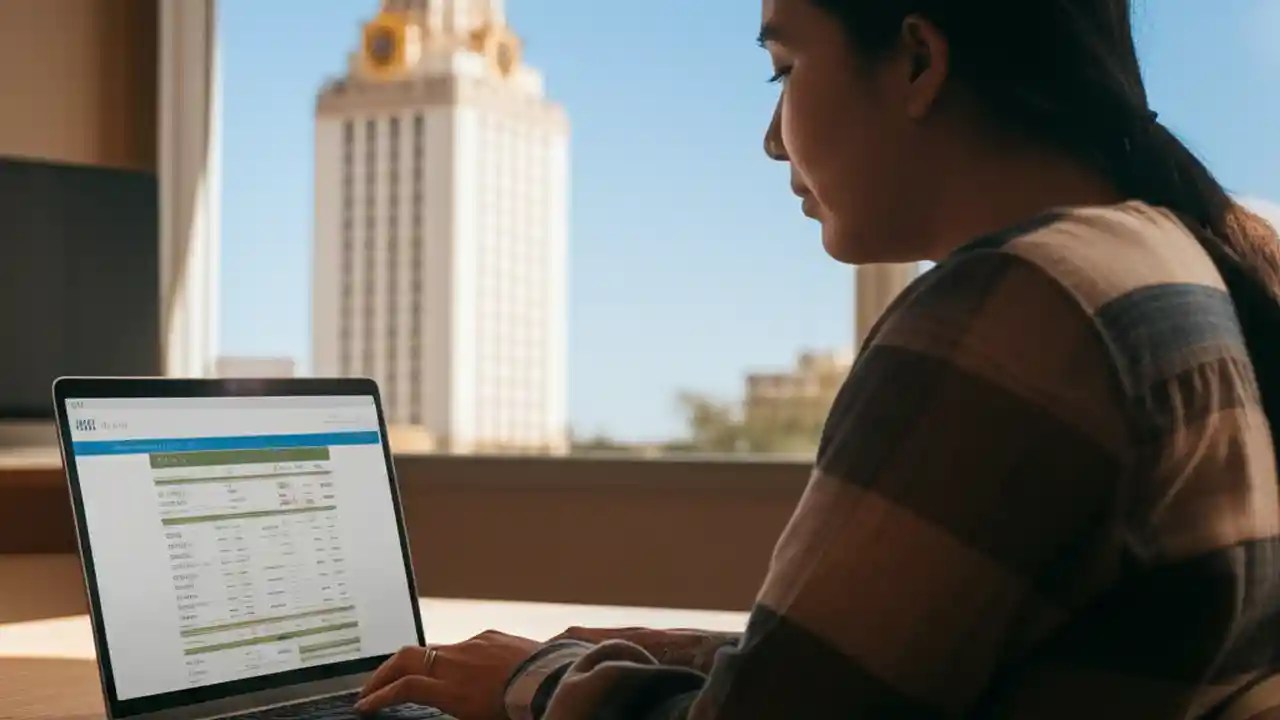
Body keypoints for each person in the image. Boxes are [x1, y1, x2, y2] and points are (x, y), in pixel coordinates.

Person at [357, 0, 1280, 717]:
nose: (770, 140)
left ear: (918, 60)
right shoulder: (1165, 259)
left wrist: (537, 683)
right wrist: (688, 656)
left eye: (782, 69)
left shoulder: (1024, 300)